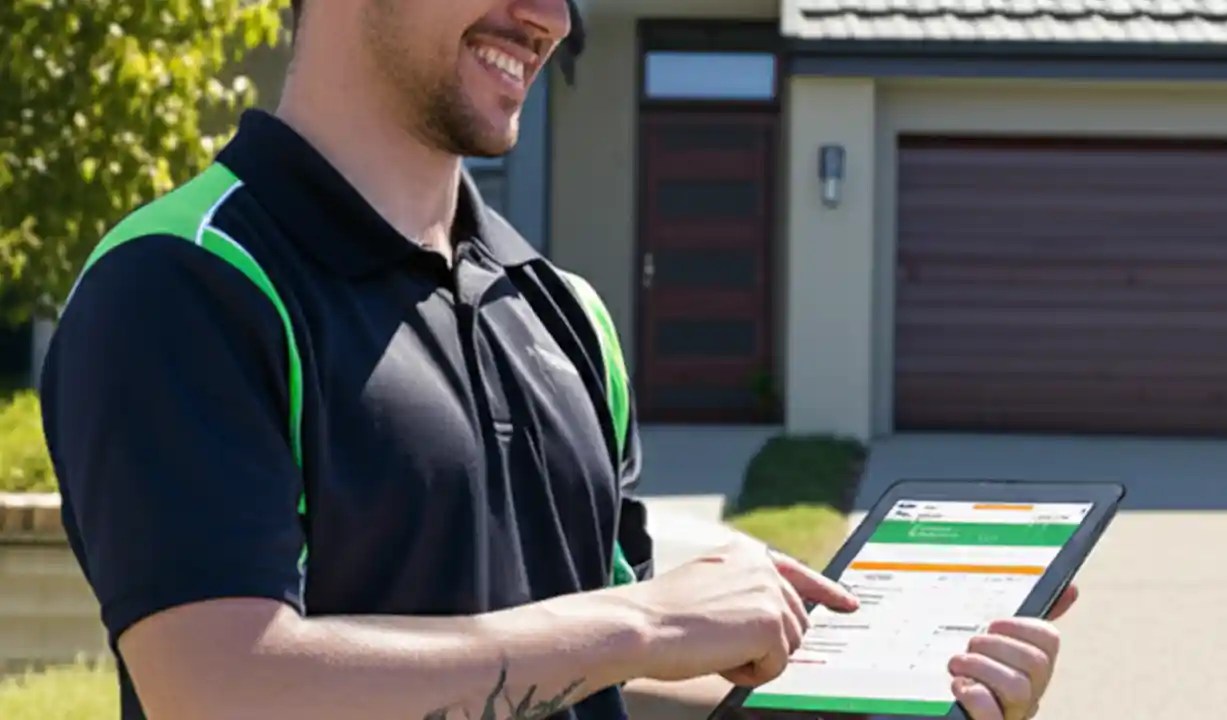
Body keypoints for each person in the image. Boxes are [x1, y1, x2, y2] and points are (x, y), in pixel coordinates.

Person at [38, 0, 1079, 719]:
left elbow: (590, 677)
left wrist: (885, 683)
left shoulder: (563, 313)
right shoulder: (186, 279)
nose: (555, 17)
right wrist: (639, 621)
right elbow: (220, 688)